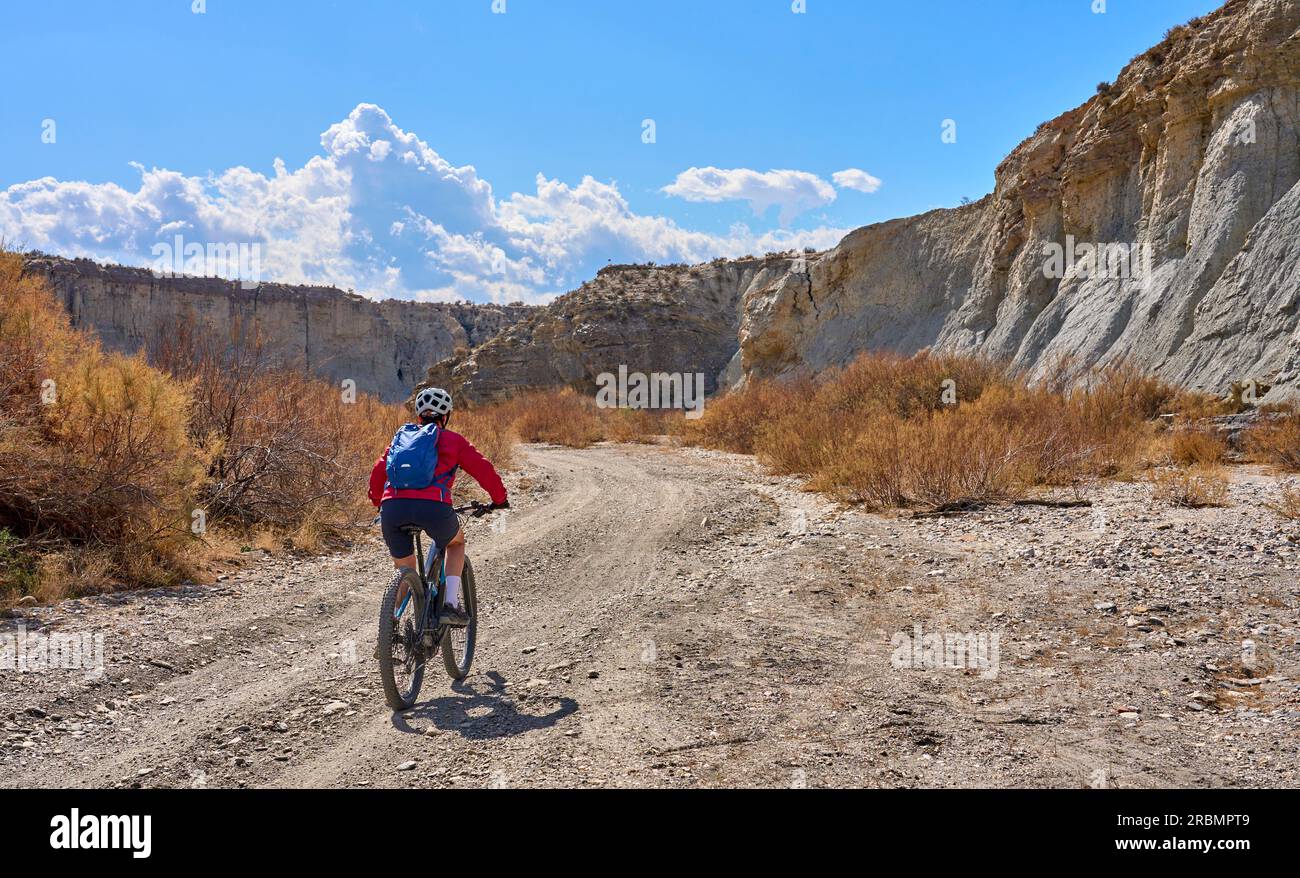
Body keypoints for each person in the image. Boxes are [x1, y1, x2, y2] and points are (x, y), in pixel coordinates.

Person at [368, 387, 508, 626]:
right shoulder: (453, 441)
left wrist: (377, 501)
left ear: (419, 415)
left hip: (392, 508)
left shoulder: (400, 440)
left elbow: (379, 471)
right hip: (434, 508)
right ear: (446, 416)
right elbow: (483, 469)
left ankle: (389, 628)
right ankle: (450, 605)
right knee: (455, 543)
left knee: (405, 568)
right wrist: (499, 498)